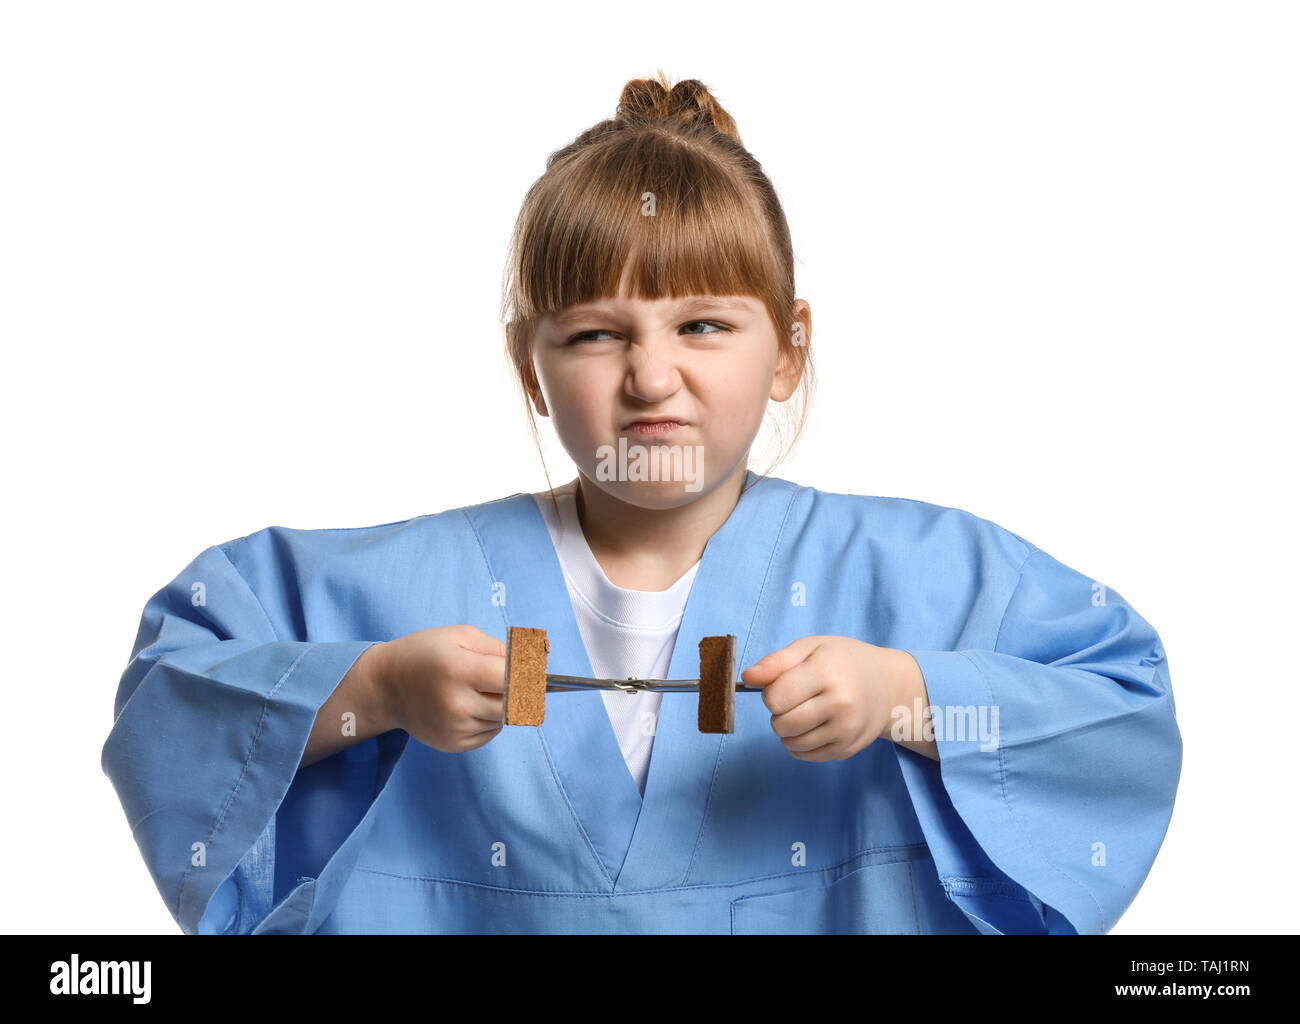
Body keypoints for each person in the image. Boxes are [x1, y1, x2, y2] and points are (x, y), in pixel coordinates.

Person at [102, 71, 1182, 935]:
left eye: (703, 325)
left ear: (787, 350)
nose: (651, 377)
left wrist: (910, 696)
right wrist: (376, 686)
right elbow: (170, 696)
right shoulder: (393, 591)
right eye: (594, 333)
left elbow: (1122, 714)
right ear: (529, 365)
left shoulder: (919, 579)